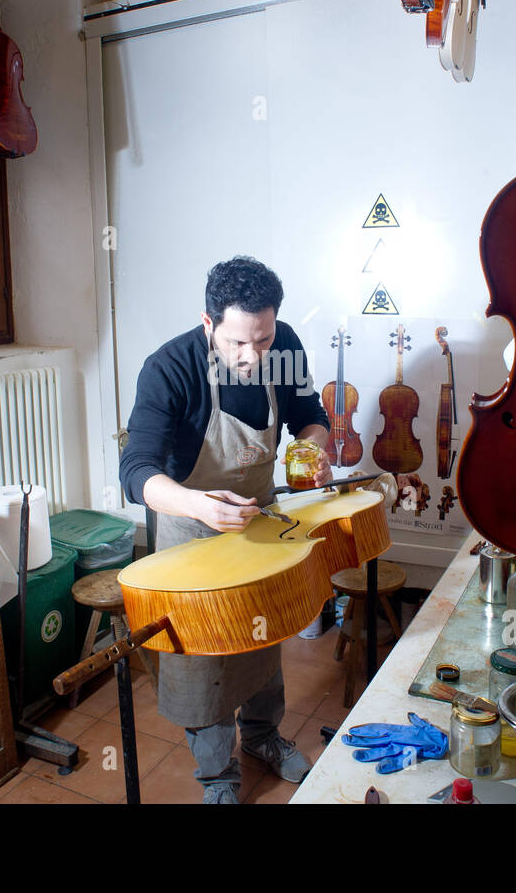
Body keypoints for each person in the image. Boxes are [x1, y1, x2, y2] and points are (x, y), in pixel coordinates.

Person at [118, 256, 334, 803]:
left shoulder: (281, 344)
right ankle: (217, 775)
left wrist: (313, 448)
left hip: (258, 520)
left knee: (264, 635)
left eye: (262, 341)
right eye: (238, 342)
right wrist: (199, 505)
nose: (251, 356)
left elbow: (310, 413)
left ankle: (264, 737)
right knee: (204, 661)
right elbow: (136, 471)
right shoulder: (169, 367)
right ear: (209, 323)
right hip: (190, 525)